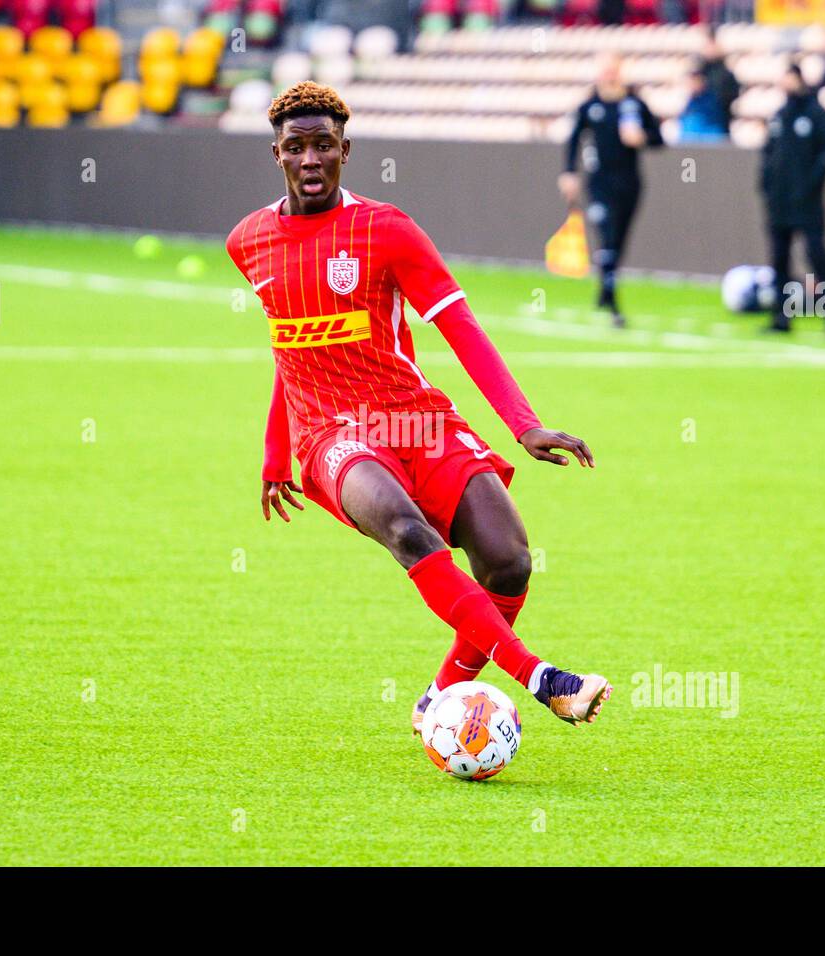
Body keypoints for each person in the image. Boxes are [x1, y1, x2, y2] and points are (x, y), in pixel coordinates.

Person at [225, 82, 611, 736]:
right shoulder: (250, 242)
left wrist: (524, 424)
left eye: (324, 146)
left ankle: (440, 698)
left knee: (508, 559)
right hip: (332, 435)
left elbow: (460, 327)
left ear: (345, 151)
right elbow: (287, 350)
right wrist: (275, 454)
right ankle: (543, 680)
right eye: (297, 148)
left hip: (414, 418)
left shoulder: (386, 229)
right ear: (277, 155)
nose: (311, 159)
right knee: (406, 529)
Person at [559, 51, 663, 327]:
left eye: (613, 69)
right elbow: (573, 140)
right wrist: (569, 172)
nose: (609, 75)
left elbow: (659, 138)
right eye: (605, 70)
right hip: (599, 184)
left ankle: (605, 289)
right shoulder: (589, 107)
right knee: (606, 239)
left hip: (629, 184)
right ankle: (614, 304)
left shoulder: (634, 105)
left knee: (618, 242)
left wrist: (642, 138)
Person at [759, 63, 825, 333]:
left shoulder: (816, 115)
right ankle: (781, 317)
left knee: (816, 256)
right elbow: (768, 155)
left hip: (807, 203)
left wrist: (810, 185)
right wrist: (767, 187)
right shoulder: (779, 116)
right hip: (780, 203)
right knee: (779, 259)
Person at [698, 27, 740, 134]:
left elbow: (732, 94)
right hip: (703, 120)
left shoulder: (725, 73)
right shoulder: (701, 70)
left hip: (719, 120)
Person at [677, 67, 728, 143]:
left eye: (696, 80)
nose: (692, 83)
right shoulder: (685, 99)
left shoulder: (712, 99)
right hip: (687, 141)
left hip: (709, 140)